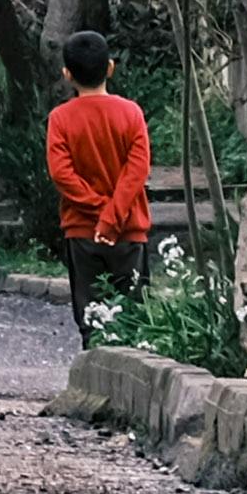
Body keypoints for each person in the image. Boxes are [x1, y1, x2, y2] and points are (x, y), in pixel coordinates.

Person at [47, 31, 156, 337]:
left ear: (67, 75)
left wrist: (98, 211)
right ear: (110, 67)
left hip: (82, 230)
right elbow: (137, 170)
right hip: (128, 230)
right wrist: (113, 216)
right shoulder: (131, 114)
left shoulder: (60, 119)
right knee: (134, 318)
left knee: (90, 318)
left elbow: (62, 174)